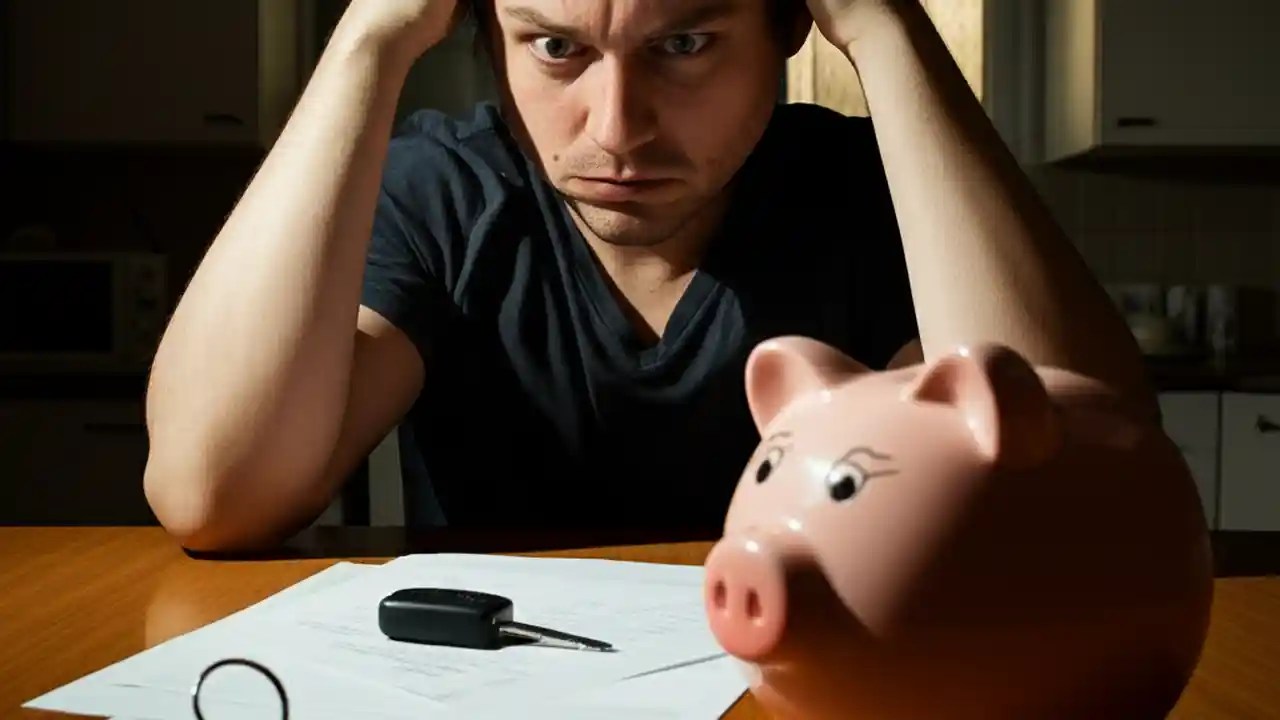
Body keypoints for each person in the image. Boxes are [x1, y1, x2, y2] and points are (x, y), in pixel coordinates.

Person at [142, 0, 1156, 552]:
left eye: (685, 45)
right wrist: (369, 37)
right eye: (553, 48)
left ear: (789, 29)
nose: (616, 128)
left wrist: (885, 27)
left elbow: (1068, 480)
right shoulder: (440, 194)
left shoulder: (870, 191)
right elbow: (215, 496)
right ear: (490, 40)